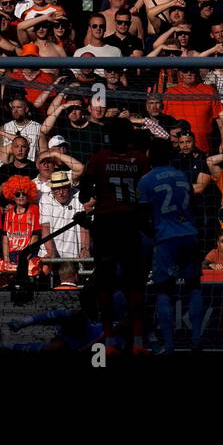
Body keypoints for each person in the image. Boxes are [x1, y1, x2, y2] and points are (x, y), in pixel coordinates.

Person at [76, 117, 150, 356]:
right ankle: (138, 342)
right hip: (130, 223)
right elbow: (145, 193)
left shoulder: (100, 158)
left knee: (106, 285)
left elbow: (83, 194)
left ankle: (108, 344)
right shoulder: (140, 159)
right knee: (135, 285)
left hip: (107, 224)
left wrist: (97, 188)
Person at [137, 135, 208, 354]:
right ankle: (196, 340)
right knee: (194, 287)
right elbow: (194, 207)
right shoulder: (183, 177)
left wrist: (153, 235)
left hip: (166, 239)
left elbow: (142, 216)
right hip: (189, 235)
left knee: (164, 291)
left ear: (150, 155)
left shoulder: (146, 180)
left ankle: (169, 345)